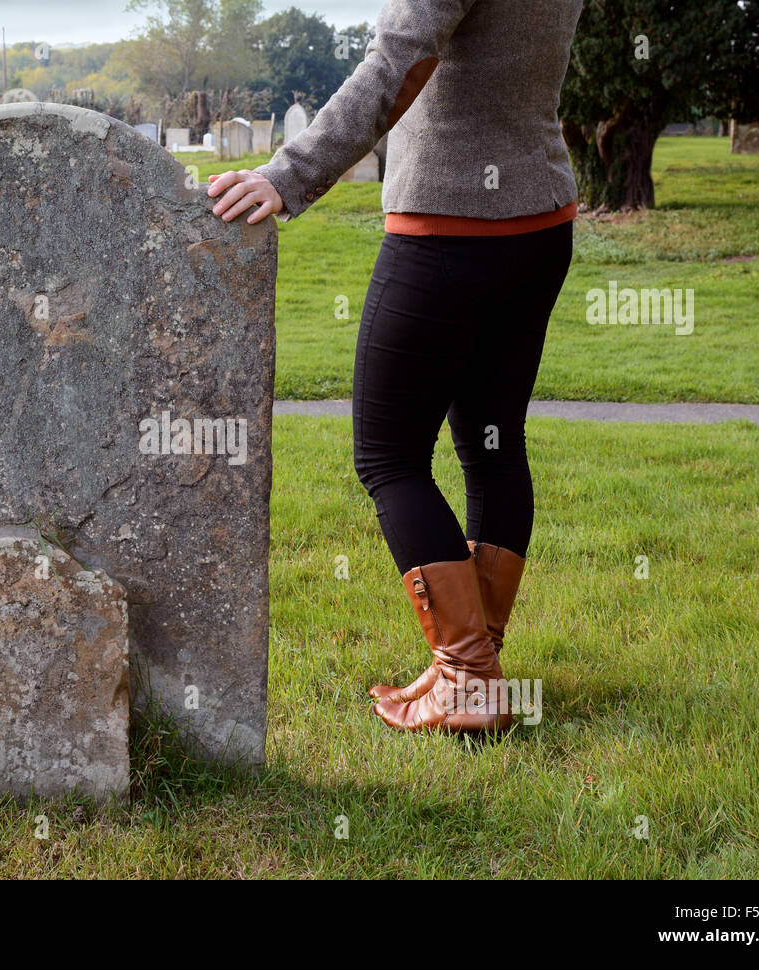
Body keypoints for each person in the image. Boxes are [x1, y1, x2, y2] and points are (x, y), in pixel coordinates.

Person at [208, 0, 585, 733]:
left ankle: (468, 677)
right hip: (539, 222)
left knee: (389, 456)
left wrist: (290, 174)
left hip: (449, 229)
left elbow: (397, 61)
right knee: (493, 447)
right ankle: (471, 668)